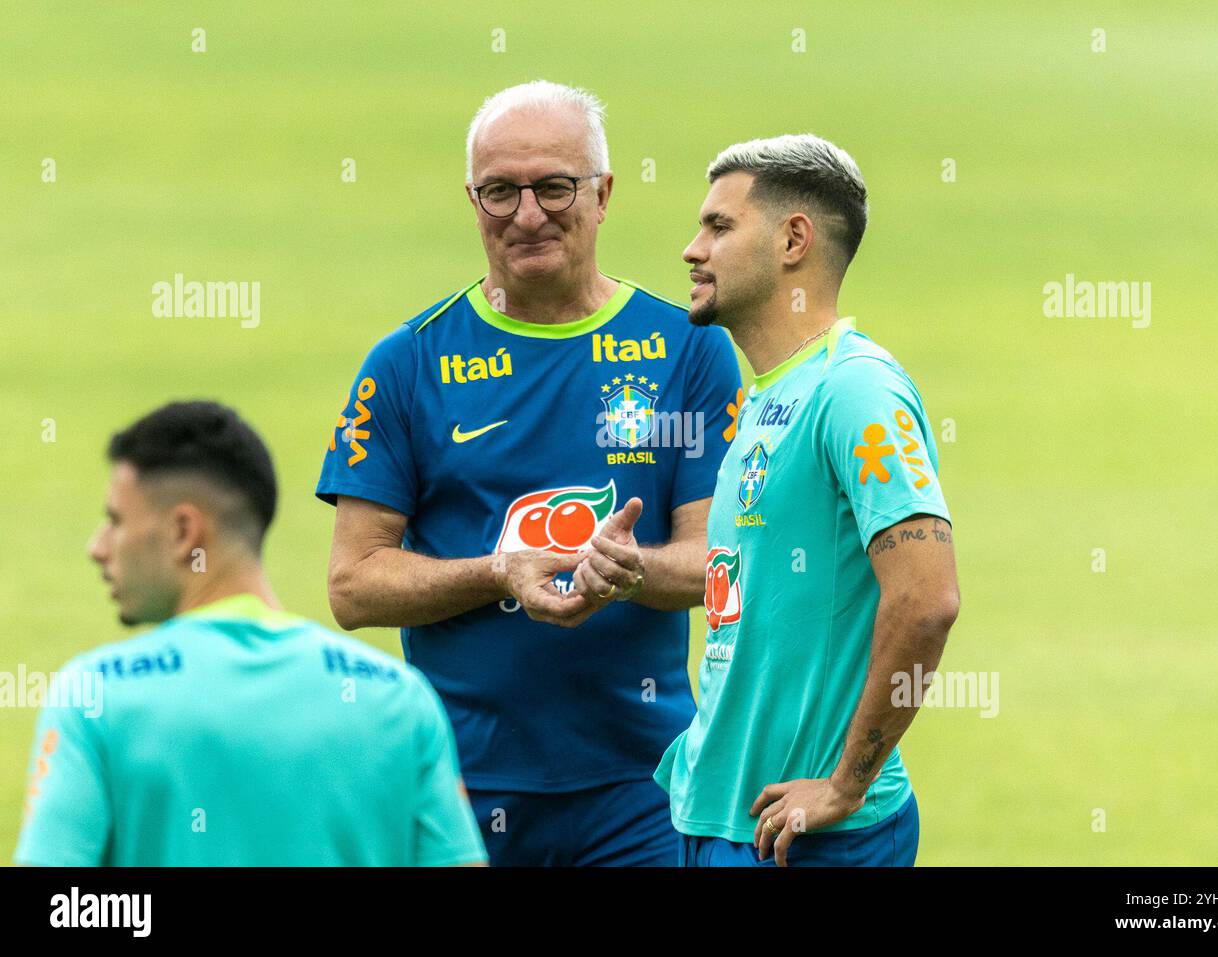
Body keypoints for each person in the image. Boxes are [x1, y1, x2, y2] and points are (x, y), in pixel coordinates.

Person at [317, 81, 742, 866]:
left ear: (604, 193)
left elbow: (720, 566)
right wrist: (499, 572)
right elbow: (353, 584)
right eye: (499, 192)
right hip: (457, 788)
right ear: (472, 199)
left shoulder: (688, 349)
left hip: (641, 786)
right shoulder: (409, 363)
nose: (527, 214)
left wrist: (628, 569)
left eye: (553, 187)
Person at [656, 134, 961, 866]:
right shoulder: (770, 395)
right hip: (729, 816)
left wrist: (845, 783)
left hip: (809, 837)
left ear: (794, 239)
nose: (692, 250)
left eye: (718, 227)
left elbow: (927, 598)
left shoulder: (854, 390)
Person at [15, 401, 485, 867]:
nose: (96, 547)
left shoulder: (98, 695)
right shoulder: (398, 700)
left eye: (116, 521)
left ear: (183, 531)